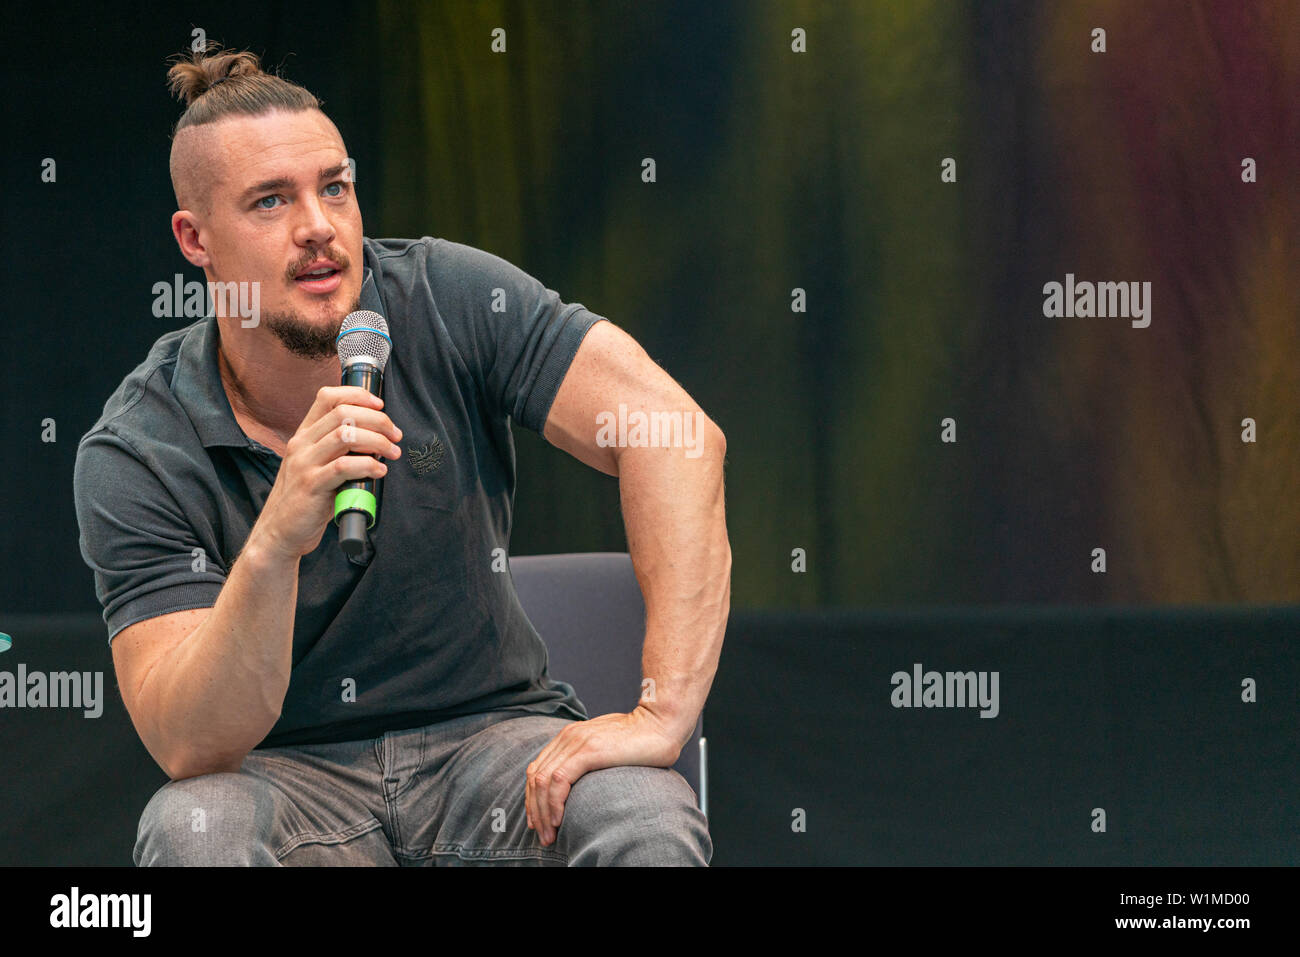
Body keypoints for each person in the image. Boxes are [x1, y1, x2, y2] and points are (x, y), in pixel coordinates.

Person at [72, 45, 730, 866]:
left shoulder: (449, 298)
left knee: (637, 804)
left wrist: (662, 711)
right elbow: (189, 742)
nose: (319, 226)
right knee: (191, 825)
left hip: (494, 748)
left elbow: (674, 432)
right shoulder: (140, 444)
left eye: (334, 187)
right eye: (271, 201)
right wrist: (277, 539)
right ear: (195, 239)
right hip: (286, 777)